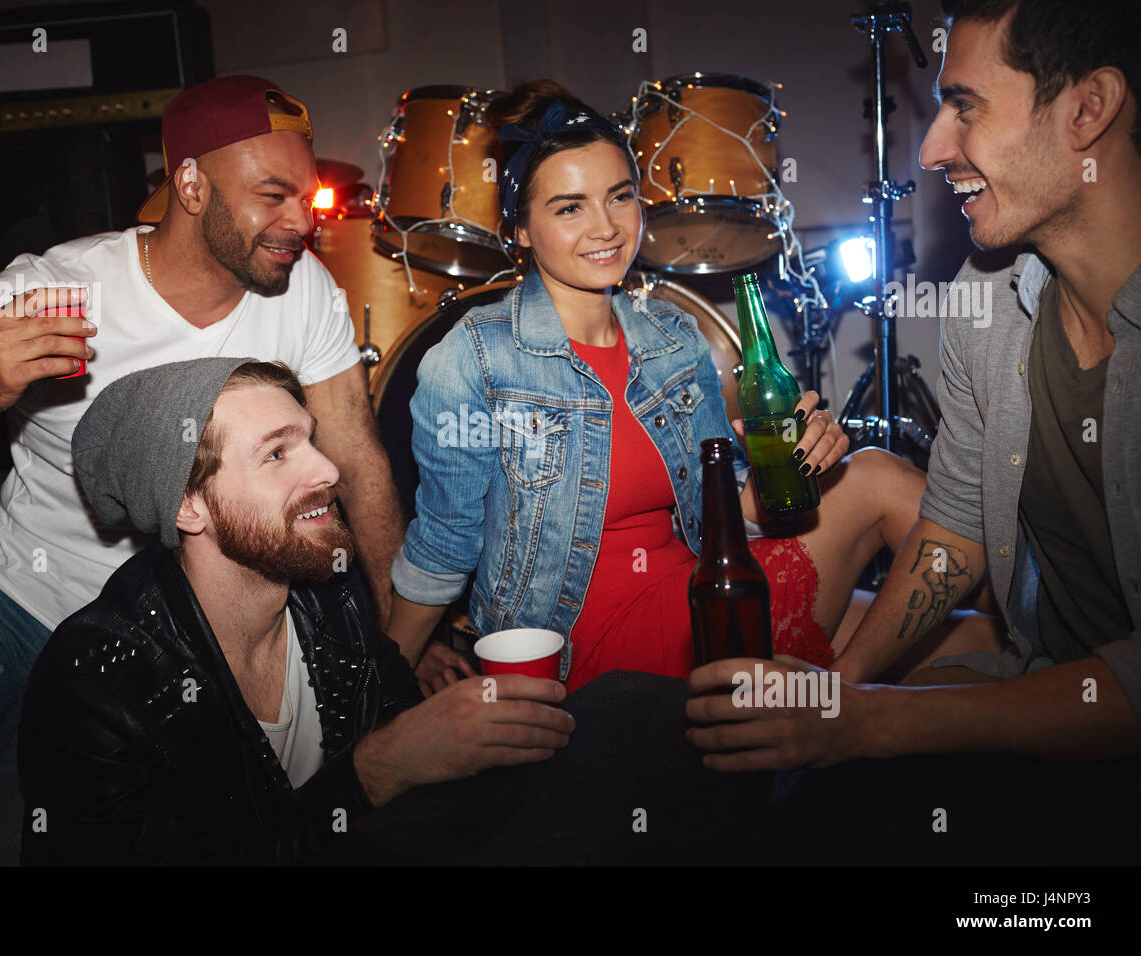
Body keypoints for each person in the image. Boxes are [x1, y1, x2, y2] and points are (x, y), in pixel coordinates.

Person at [0, 76, 405, 864]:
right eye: (271, 195)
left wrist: (394, 644)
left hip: (156, 643)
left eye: (302, 198)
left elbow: (356, 455)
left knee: (19, 849)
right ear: (190, 183)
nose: (297, 223)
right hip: (13, 595)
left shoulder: (302, 289)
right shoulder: (53, 288)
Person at [386, 80, 1000, 697]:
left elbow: (722, 516)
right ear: (520, 230)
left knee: (979, 642)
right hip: (583, 645)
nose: (605, 227)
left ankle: (865, 696)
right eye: (569, 207)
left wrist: (790, 472)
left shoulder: (672, 338)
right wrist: (387, 691)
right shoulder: (474, 358)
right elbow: (444, 543)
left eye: (619, 197)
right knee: (876, 478)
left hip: (704, 588)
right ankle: (1033, 609)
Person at [686, 0, 1141, 768]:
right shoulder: (988, 300)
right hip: (1034, 683)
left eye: (965, 107)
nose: (931, 151)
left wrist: (873, 725)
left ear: (1087, 109)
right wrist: (839, 689)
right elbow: (958, 524)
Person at [20, 358, 571, 864]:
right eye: (276, 454)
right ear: (188, 506)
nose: (328, 471)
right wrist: (372, 772)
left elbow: (400, 726)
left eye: (311, 441)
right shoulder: (96, 686)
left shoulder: (329, 590)